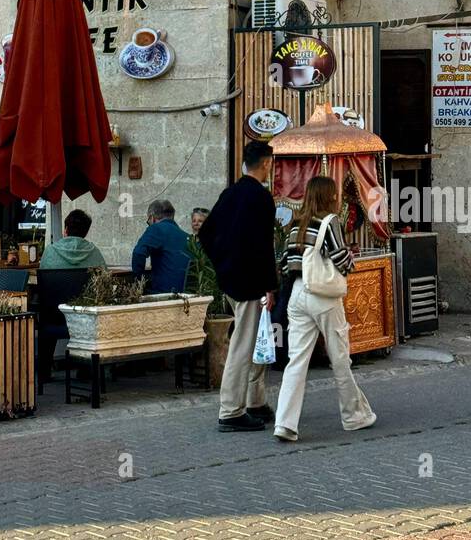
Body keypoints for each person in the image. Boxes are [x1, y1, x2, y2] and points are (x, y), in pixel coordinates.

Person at [273, 175, 376, 443]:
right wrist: (350, 261)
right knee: (339, 357)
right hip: (323, 296)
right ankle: (354, 416)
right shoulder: (330, 222)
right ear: (329, 196)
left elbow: (285, 264)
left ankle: (285, 423)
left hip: (296, 294)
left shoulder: (295, 225)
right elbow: (341, 258)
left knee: (296, 361)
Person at [199, 142, 279, 432]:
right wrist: (270, 286)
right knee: (243, 346)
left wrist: (224, 262)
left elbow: (205, 233)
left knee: (253, 341)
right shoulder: (261, 198)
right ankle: (231, 410)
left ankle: (255, 401)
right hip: (251, 283)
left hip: (231, 281)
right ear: (267, 163)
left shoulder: (230, 194)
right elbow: (263, 248)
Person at [131, 199, 190, 292]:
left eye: (148, 222)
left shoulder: (156, 229)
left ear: (152, 218)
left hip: (163, 294)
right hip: (186, 295)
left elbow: (138, 253)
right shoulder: (187, 237)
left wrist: (138, 283)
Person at [39, 209, 108, 270]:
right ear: (86, 233)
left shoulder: (50, 251)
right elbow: (104, 279)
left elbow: (42, 279)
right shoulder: (95, 253)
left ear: (66, 230)